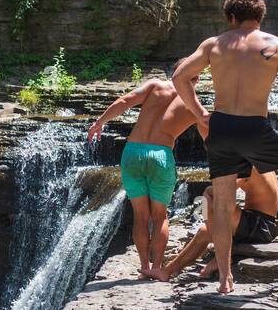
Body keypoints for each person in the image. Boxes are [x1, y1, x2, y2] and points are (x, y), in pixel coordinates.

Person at [172, 0, 278, 294]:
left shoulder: (213, 44)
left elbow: (179, 77)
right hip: (254, 128)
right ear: (260, 17)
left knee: (223, 203)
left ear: (231, 17)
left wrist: (199, 112)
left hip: (221, 127)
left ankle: (225, 277)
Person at [86, 78, 206, 280]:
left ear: (174, 73)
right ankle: (156, 267)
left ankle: (143, 266)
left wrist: (100, 122)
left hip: (133, 152)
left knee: (140, 215)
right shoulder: (194, 103)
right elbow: (208, 136)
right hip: (161, 154)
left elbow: (126, 100)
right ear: (197, 79)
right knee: (160, 216)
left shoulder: (156, 85)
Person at [157, 168, 278, 281]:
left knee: (209, 194)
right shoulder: (259, 161)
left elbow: (222, 192)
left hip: (258, 225)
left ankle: (221, 254)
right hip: (260, 224)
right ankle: (168, 270)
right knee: (203, 231)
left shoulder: (248, 165)